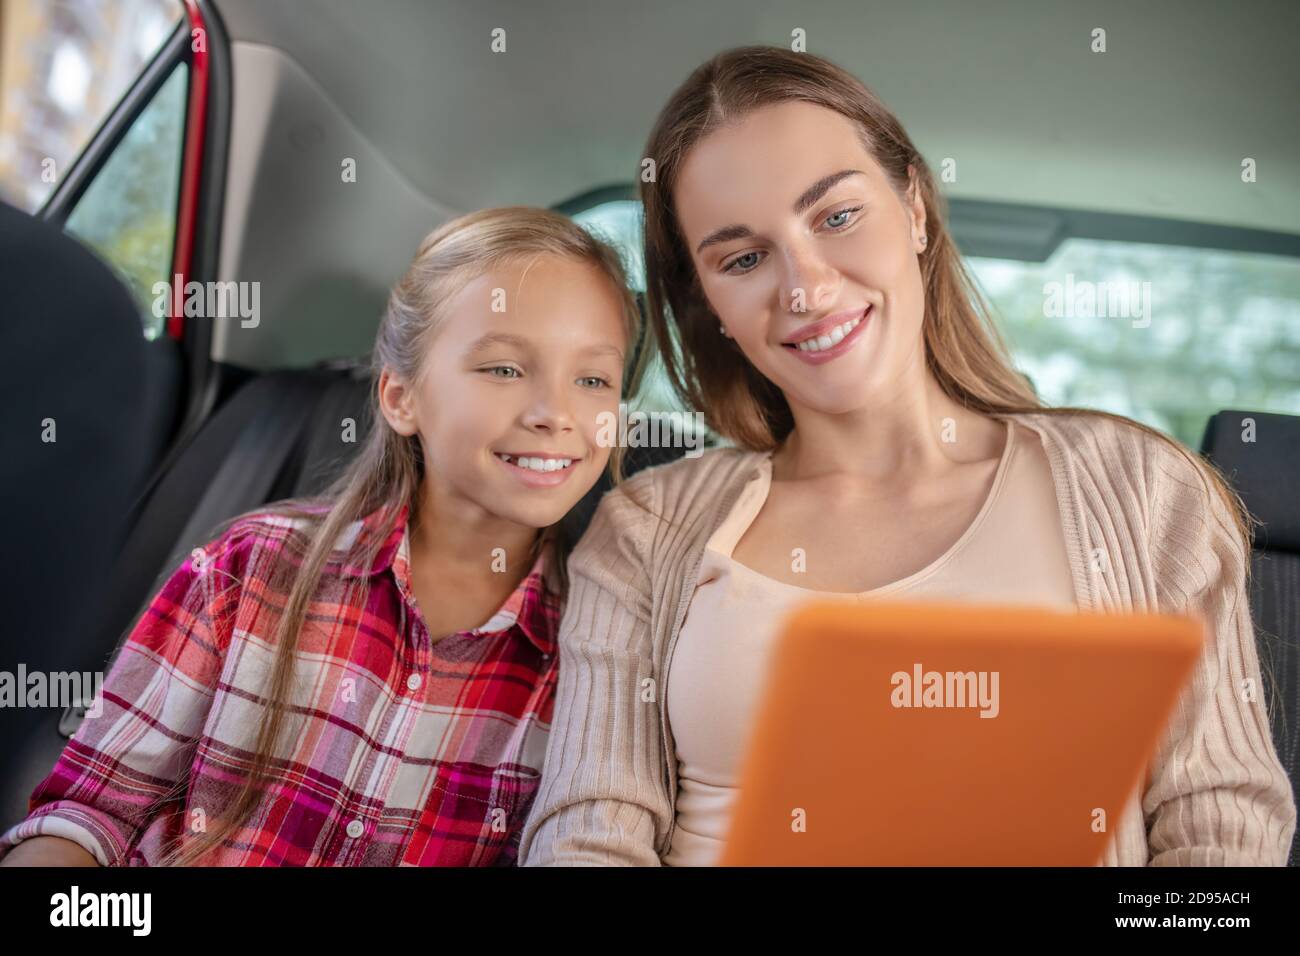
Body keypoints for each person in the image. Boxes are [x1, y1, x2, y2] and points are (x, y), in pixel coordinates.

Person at [518, 47, 1296, 866]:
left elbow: (1219, 830)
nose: (806, 287)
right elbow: (588, 835)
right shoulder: (644, 528)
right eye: (743, 259)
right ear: (710, 305)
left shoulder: (1145, 492)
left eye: (837, 216)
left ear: (915, 209)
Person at [0, 207, 640, 866]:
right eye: (505, 368)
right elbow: (90, 813)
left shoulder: (595, 665)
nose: (555, 414)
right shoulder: (249, 567)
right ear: (401, 398)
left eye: (593, 380)